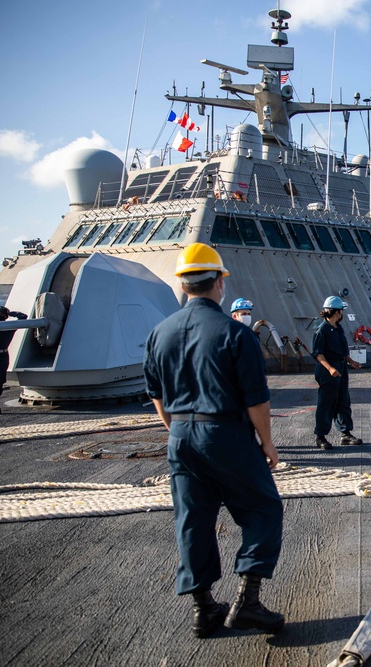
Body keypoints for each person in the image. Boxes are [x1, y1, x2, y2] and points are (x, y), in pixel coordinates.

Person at [143, 243, 285, 639]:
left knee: (193, 521)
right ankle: (248, 601)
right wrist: (268, 444)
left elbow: (156, 393)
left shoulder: (159, 333)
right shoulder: (235, 334)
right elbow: (256, 399)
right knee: (263, 509)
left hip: (181, 435)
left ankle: (203, 608)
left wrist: (176, 429)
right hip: (225, 434)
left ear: (183, 285)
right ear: (219, 281)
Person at [311, 296, 363, 449]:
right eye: (340, 311)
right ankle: (320, 437)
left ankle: (345, 434)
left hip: (341, 367)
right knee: (326, 403)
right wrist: (330, 368)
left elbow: (342, 350)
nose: (342, 314)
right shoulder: (322, 330)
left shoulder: (338, 328)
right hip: (328, 369)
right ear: (335, 312)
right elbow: (318, 354)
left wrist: (351, 361)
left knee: (343, 400)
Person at [0, 305, 28, 415]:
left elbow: (23, 317)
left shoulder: (9, 326)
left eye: (2, 314)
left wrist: (12, 313)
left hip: (1, 357)